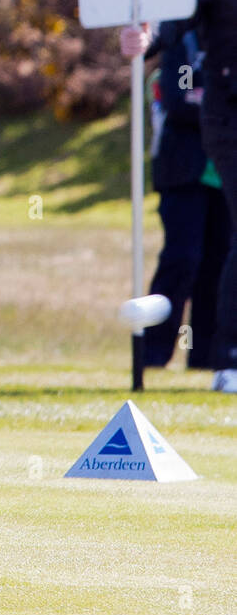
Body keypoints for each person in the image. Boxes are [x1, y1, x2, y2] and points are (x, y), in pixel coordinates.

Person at [122, 0, 237, 392]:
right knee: (187, 255)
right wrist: (145, 39)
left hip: (211, 146)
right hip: (209, 138)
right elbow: (172, 32)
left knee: (217, 254)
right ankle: (192, 354)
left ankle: (209, 355)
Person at [126, 28, 227, 369]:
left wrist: (210, 101)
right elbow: (179, 97)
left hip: (224, 178)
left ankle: (204, 356)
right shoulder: (184, 41)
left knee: (218, 266)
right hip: (184, 173)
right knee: (183, 260)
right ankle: (153, 352)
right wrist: (219, 107)